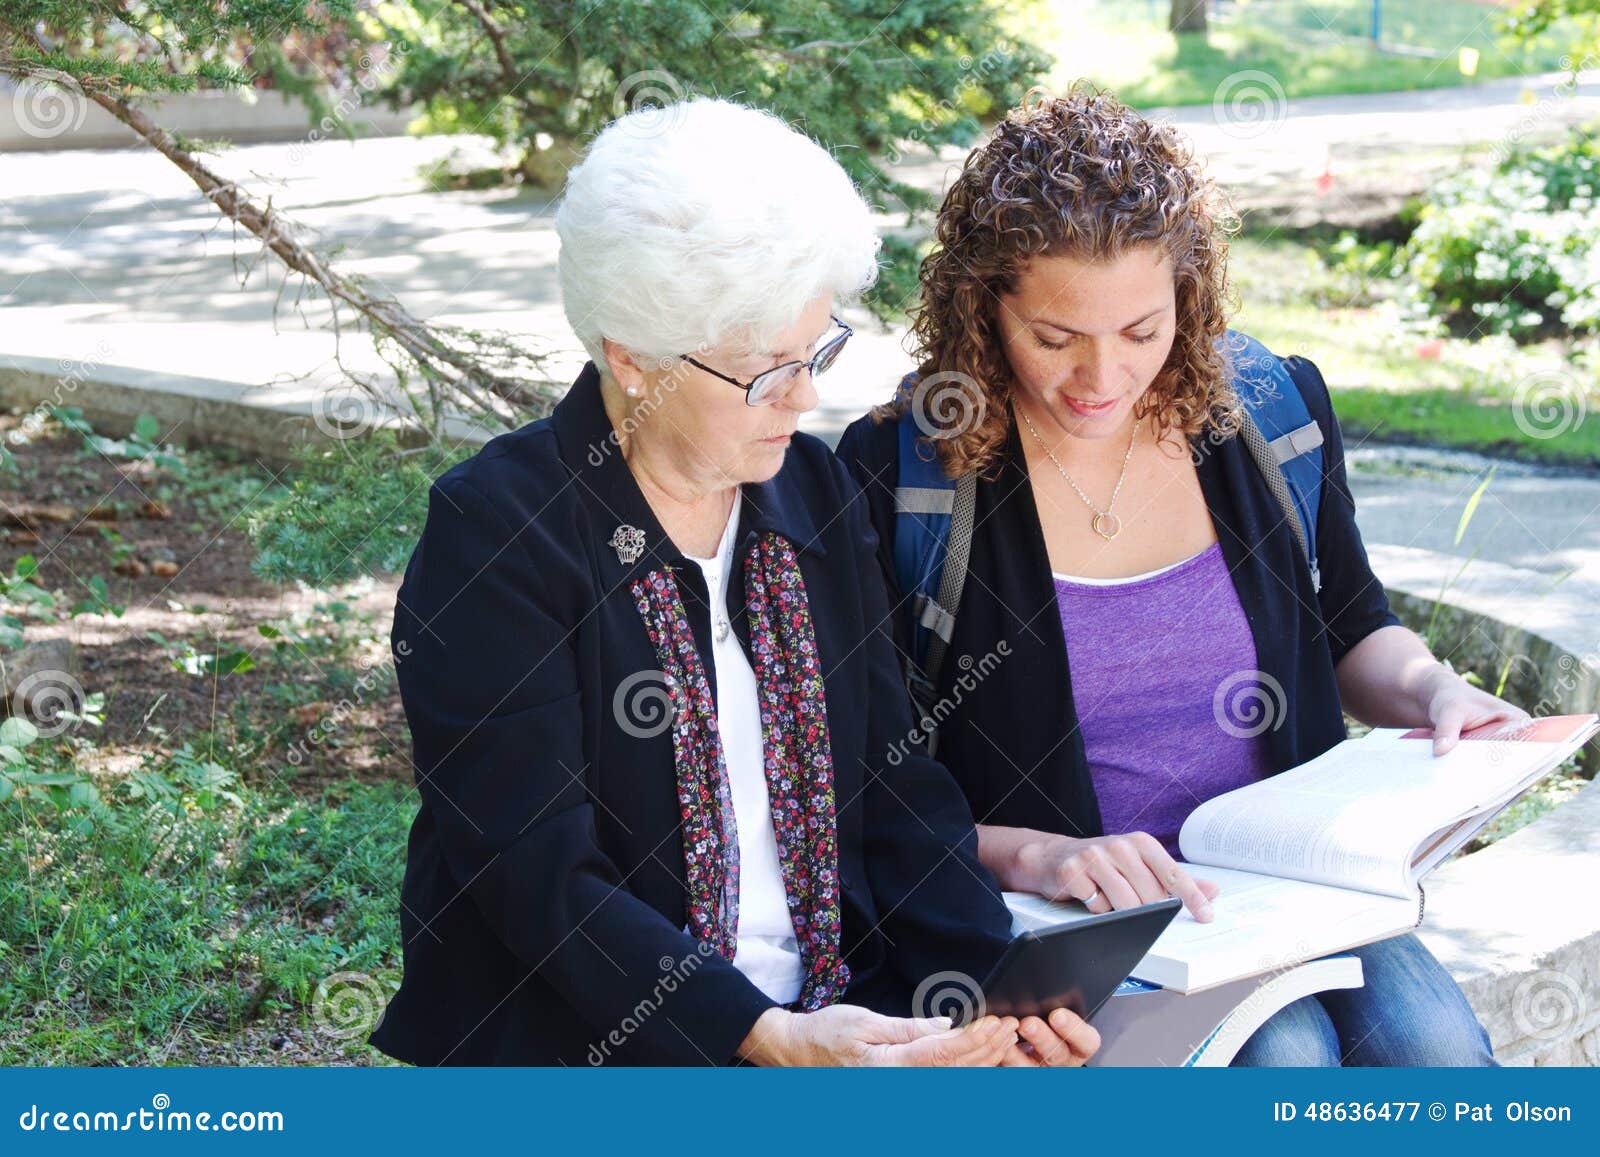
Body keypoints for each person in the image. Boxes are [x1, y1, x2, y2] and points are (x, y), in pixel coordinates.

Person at [368, 97, 1099, 1067]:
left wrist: (990, 994)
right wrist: (763, 1036)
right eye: (766, 373)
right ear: (633, 360)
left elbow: (892, 786)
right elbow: (532, 871)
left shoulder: (811, 490)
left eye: (818, 350)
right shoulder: (502, 531)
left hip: (844, 1009)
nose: (806, 397)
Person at [836, 86, 1517, 1067]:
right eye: (1055, 338)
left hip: (1283, 891)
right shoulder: (902, 477)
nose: (1101, 378)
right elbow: (866, 780)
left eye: (1141, 332)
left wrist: (1432, 689)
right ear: (983, 309)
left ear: (1186, 296)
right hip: (1068, 915)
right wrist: (1042, 852)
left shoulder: (1265, 409)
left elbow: (1353, 625)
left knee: (1438, 1048)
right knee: (1282, 1058)